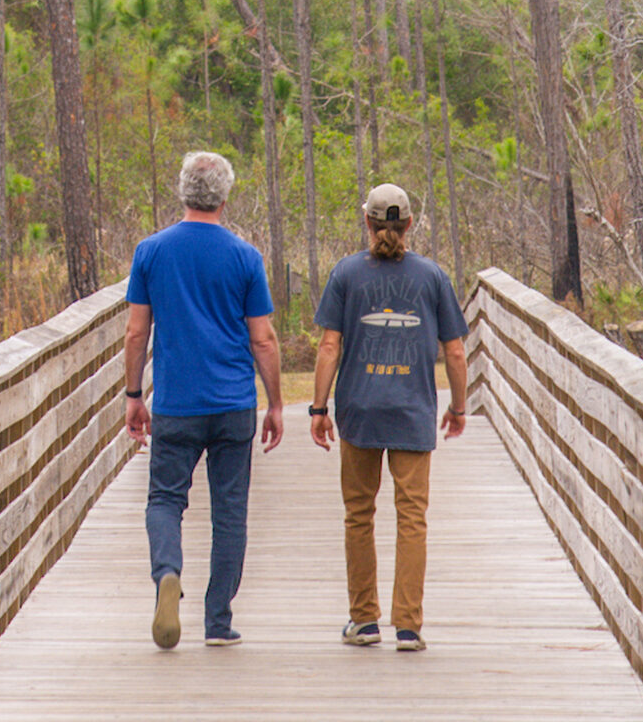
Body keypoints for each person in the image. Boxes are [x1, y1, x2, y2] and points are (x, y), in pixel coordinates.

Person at [123, 150, 284, 650]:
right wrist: (276, 403)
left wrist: (134, 395)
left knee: (165, 500)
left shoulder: (151, 251)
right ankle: (218, 622)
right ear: (226, 195)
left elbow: (135, 333)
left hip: (176, 402)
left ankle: (167, 573)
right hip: (233, 401)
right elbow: (263, 339)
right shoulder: (244, 257)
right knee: (229, 512)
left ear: (182, 190)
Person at [307, 182, 468, 653]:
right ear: (411, 224)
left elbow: (329, 345)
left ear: (368, 223)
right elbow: (455, 352)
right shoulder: (433, 277)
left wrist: (318, 408)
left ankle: (363, 620)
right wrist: (458, 407)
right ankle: (409, 625)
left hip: (358, 409)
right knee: (411, 516)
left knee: (359, 514)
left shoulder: (346, 275)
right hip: (412, 410)